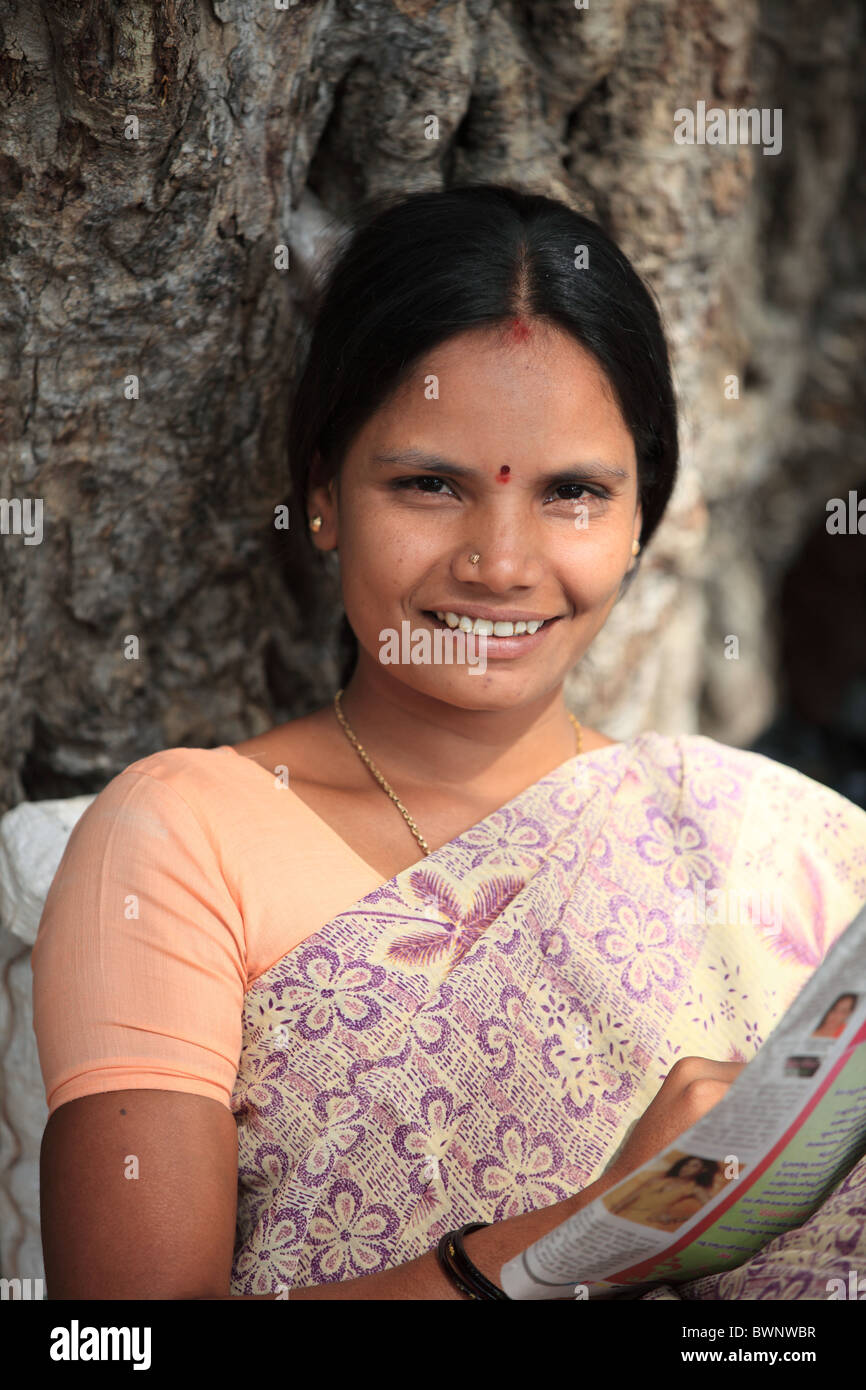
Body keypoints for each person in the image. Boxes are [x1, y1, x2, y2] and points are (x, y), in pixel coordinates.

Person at [32, 184, 866, 1301]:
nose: (501, 562)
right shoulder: (187, 836)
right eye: (429, 484)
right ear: (321, 494)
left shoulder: (781, 846)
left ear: (637, 521)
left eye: (572, 492)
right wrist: (594, 1230)